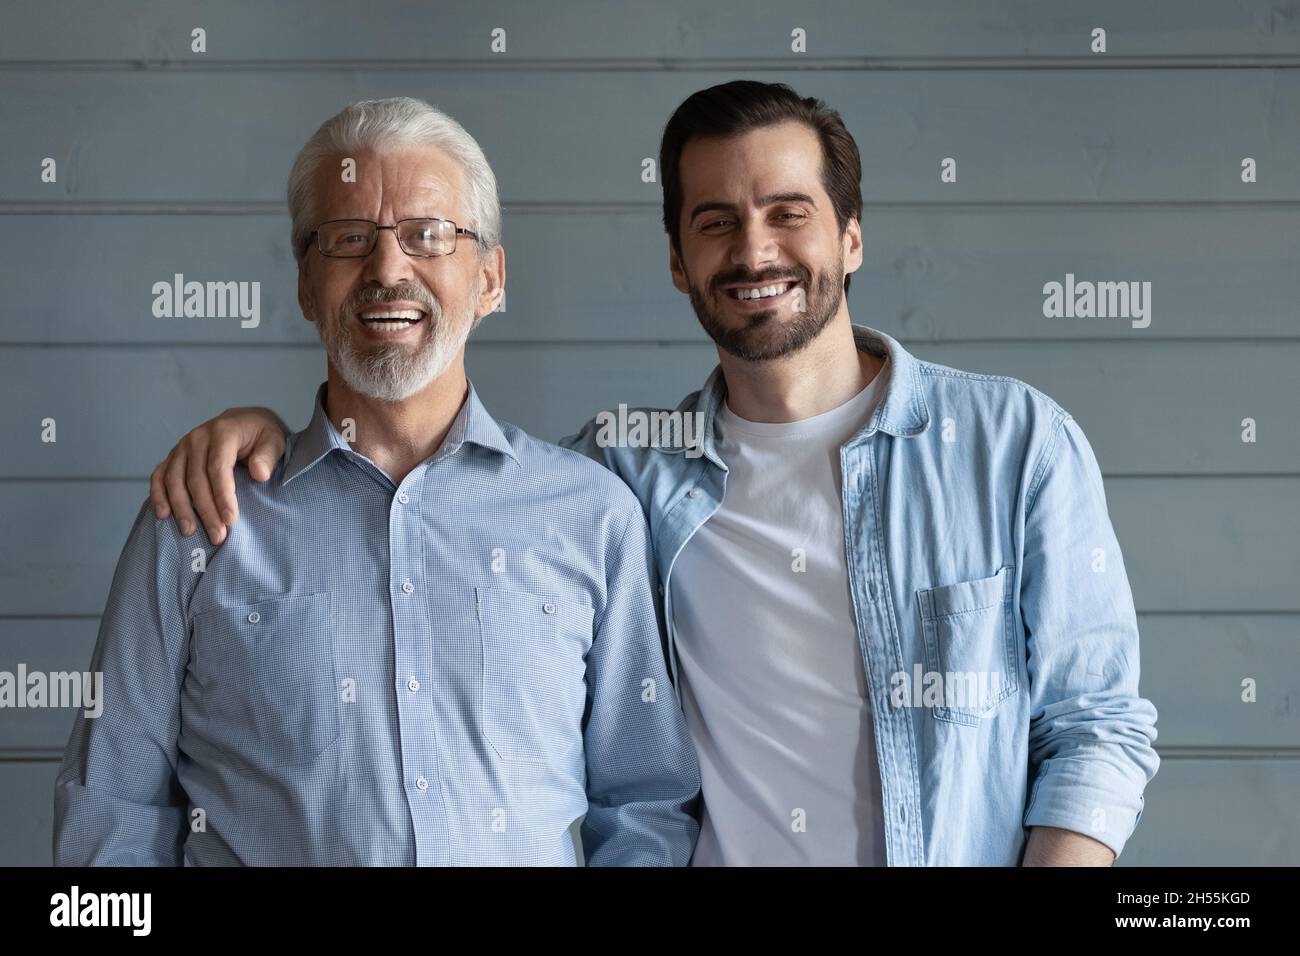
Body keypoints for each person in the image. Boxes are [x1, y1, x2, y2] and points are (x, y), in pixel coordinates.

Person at [146, 81, 1159, 866]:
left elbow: (1098, 729)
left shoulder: (1012, 441)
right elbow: (433, 476)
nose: (752, 247)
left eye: (788, 212)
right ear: (677, 259)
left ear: (850, 236)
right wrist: (266, 427)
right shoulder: (618, 473)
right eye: (714, 220)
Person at [54, 97, 701, 866]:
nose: (388, 269)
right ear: (304, 283)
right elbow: (110, 815)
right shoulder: (196, 518)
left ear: (490, 279)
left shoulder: (592, 518)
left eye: (429, 236)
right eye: (349, 238)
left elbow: (647, 803)